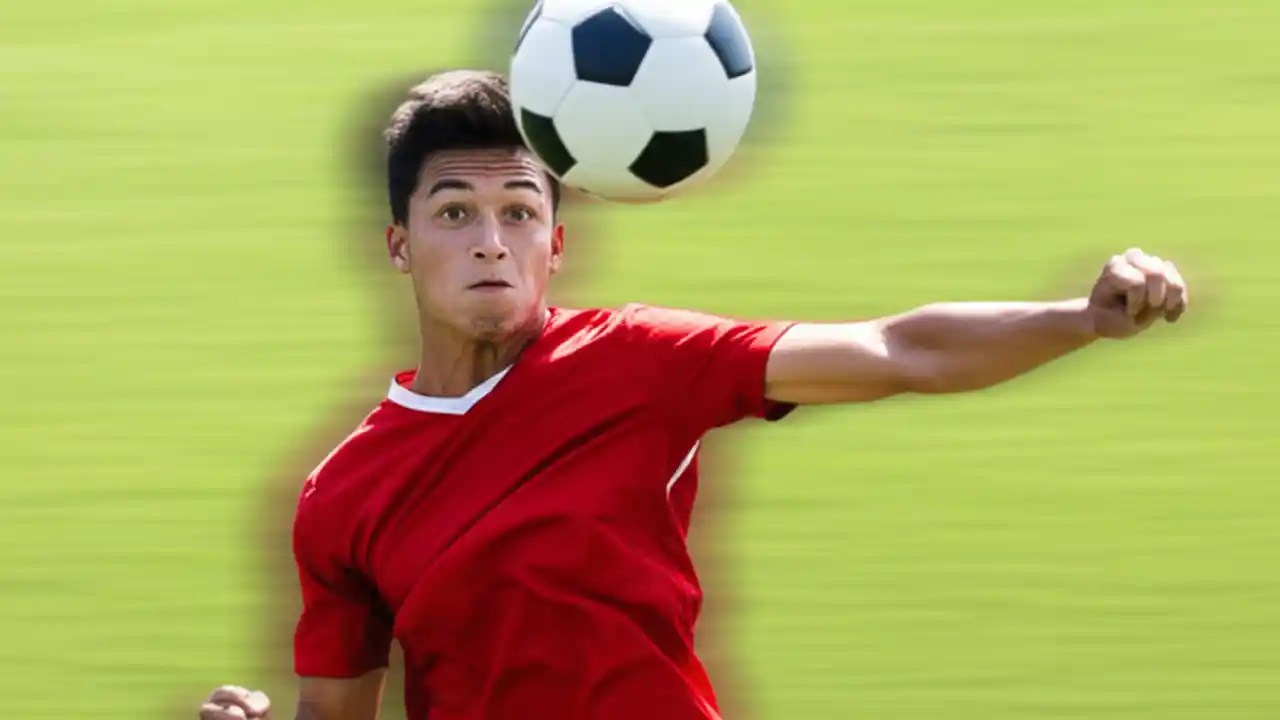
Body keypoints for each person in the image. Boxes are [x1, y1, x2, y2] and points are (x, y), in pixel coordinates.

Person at [199, 69, 1189, 720]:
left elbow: (896, 348)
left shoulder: (640, 359)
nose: (490, 239)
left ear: (558, 242)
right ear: (399, 246)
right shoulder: (342, 493)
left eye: (517, 210)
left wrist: (1078, 317)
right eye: (454, 212)